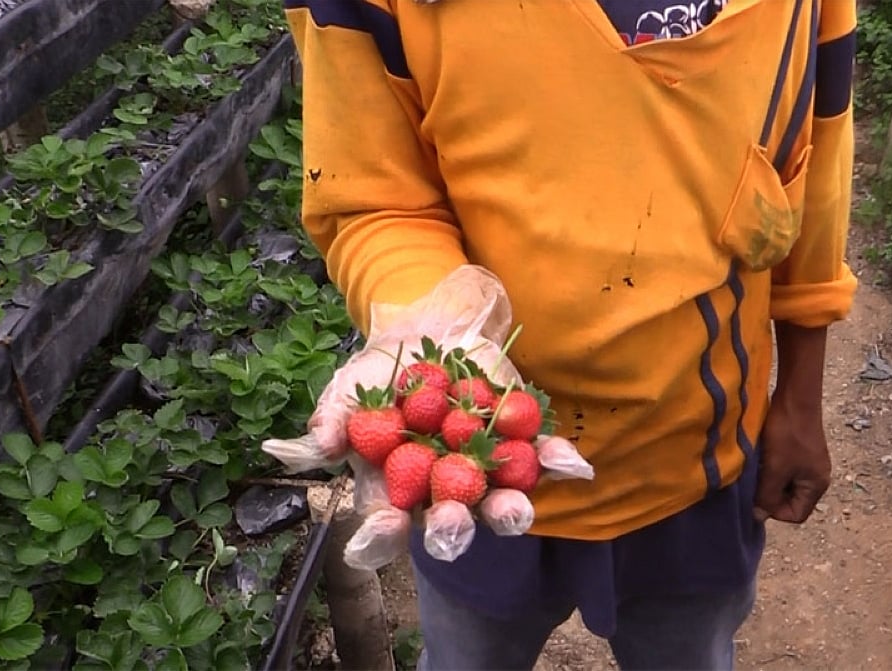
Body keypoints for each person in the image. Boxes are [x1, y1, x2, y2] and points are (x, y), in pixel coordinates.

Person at [280, 0, 858, 668]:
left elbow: (811, 163)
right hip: (482, 458)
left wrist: (802, 394)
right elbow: (374, 195)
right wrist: (434, 320)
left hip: (698, 455)